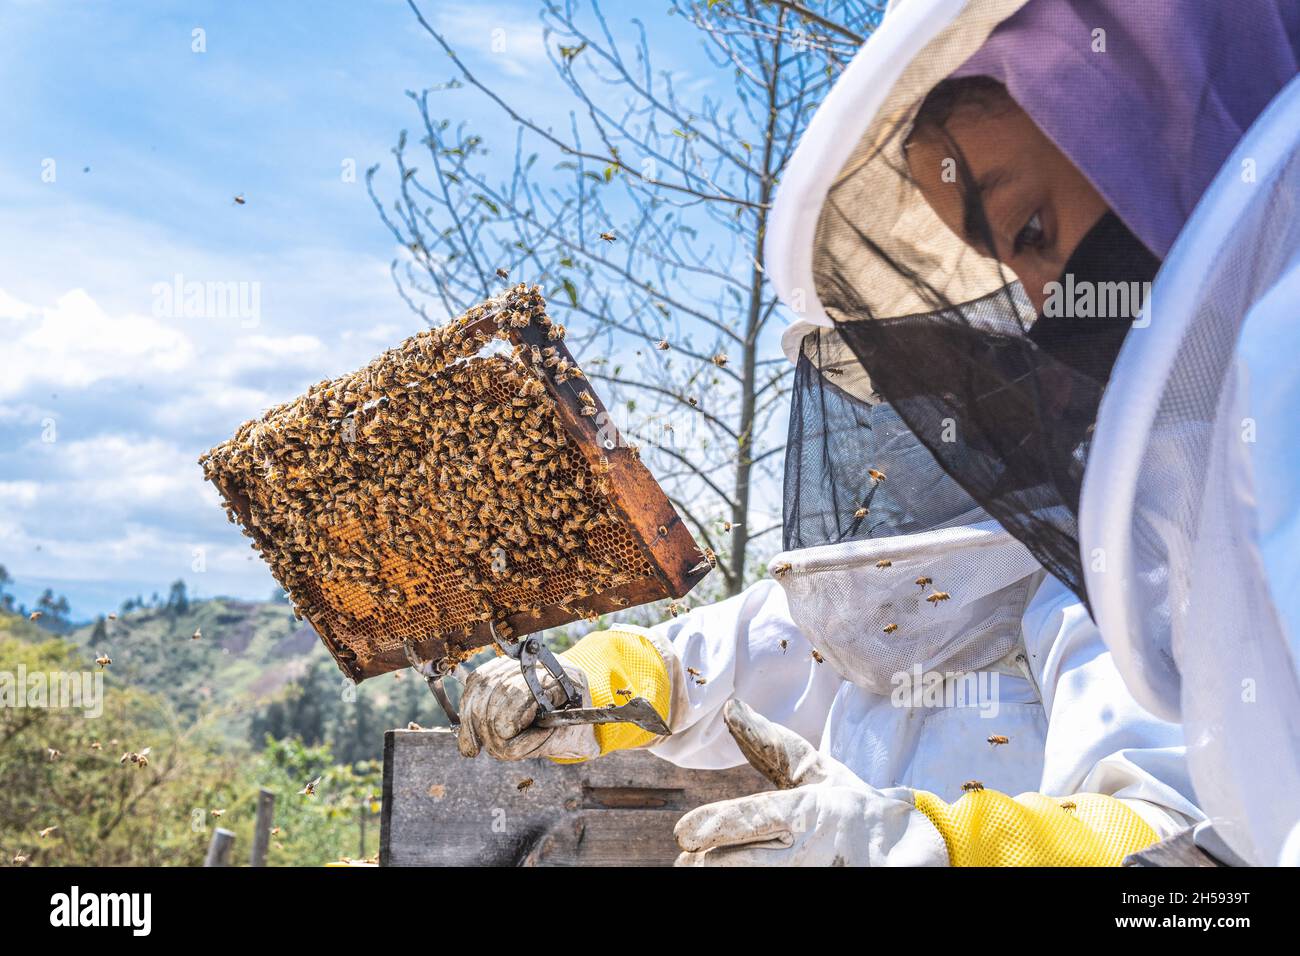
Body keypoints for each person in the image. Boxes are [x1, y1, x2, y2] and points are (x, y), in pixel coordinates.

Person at [762, 0, 1300, 863]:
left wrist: (1001, 845)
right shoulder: (1204, 483)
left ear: (1160, 84)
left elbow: (1162, 795)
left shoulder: (1277, 369)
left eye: (1035, 233)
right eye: (1019, 267)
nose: (1056, 312)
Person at [458, 395, 1203, 865]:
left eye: (921, 400)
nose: (890, 437)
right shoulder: (858, 601)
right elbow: (680, 668)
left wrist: (925, 846)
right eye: (880, 404)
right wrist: (573, 688)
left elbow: (1175, 844)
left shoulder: (1110, 587)